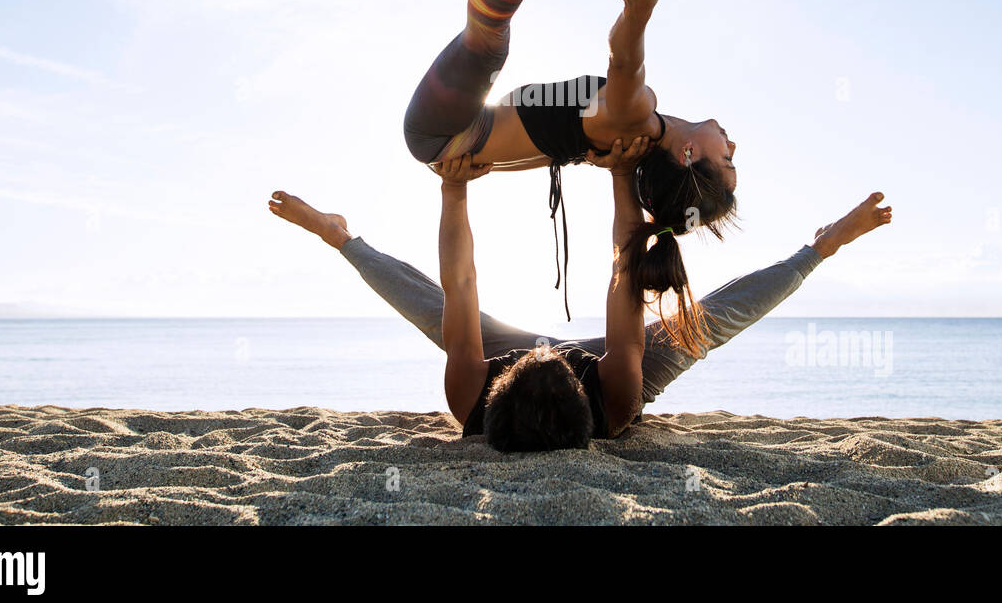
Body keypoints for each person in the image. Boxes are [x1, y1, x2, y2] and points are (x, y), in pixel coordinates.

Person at [267, 158, 892, 452]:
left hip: (521, 370)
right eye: (557, 361)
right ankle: (821, 248)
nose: (552, 350)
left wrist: (453, 188)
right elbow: (624, 278)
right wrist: (621, 173)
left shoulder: (471, 395)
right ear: (572, 376)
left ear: (505, 380)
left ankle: (339, 235)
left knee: (440, 315)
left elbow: (459, 283)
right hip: (623, 366)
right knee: (709, 324)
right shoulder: (614, 401)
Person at [402, 0, 738, 346]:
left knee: (487, 40)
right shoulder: (624, 144)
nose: (732, 145)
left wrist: (638, 11)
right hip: (450, 142)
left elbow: (625, 62)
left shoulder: (637, 118)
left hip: (445, 131)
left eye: (727, 159)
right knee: (487, 43)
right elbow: (547, 138)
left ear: (687, 153)